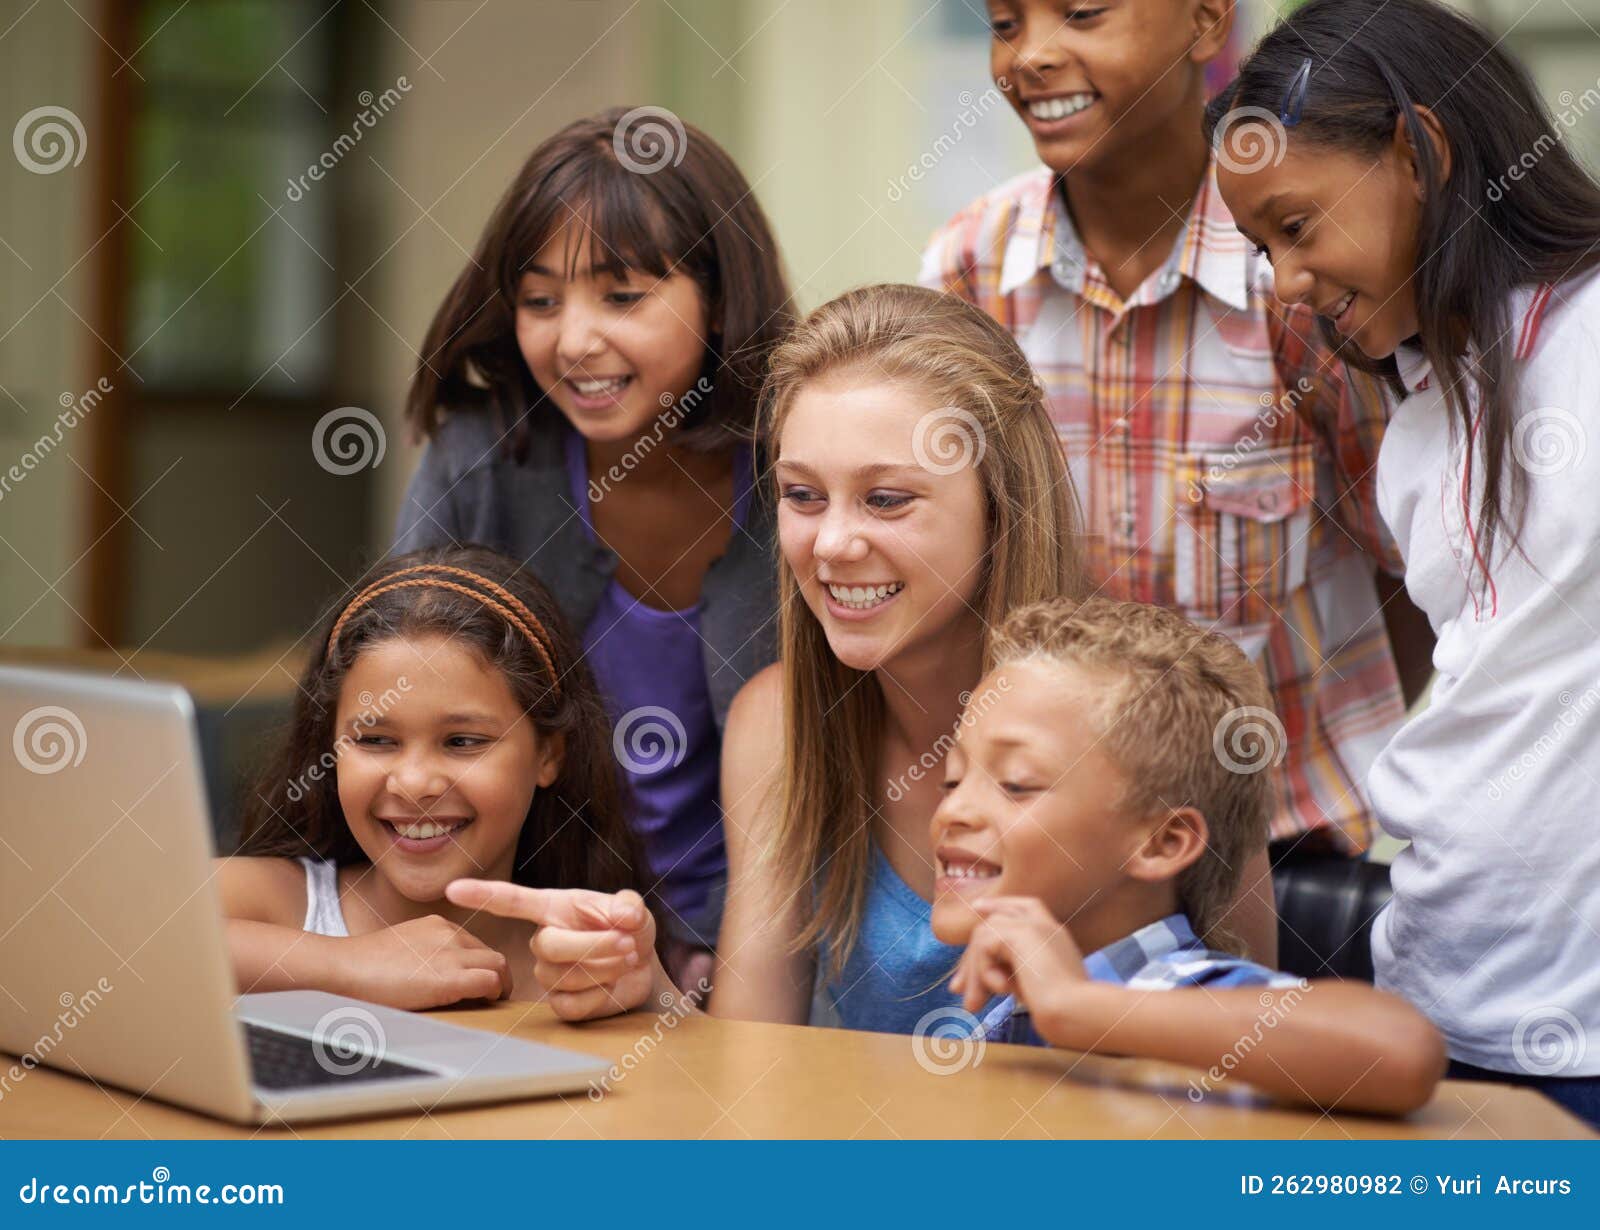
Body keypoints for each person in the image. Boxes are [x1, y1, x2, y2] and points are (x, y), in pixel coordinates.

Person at [921, 0, 1435, 899]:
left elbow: (1415, 570)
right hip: (1056, 861)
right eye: (1005, 24)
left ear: (1205, 22)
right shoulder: (971, 268)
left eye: (1082, 13)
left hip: (1289, 851)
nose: (1032, 55)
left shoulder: (1300, 269)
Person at [1208, 0, 1600, 1125]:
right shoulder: (1425, 409)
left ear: (1420, 151)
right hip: (1442, 992)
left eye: (1296, 224)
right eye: (1260, 247)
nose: (1285, 281)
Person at [393, 108, 796, 990]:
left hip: (767, 955)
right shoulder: (484, 456)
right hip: (528, 948)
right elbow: (394, 713)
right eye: (540, 300)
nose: (574, 340)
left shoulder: (800, 472)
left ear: (720, 298)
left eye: (622, 296)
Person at [934, 596, 1444, 1116]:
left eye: (1017, 784)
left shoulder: (1176, 988)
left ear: (1162, 844)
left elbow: (1400, 1050)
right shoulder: (1008, 1004)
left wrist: (1078, 1006)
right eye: (952, 778)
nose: (955, 808)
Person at [217, 546, 652, 1009]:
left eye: (463, 742)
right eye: (376, 741)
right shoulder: (281, 904)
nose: (415, 782)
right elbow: (133, 933)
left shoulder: (582, 961)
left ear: (549, 754)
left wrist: (647, 984)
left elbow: (699, 1068)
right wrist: (346, 965)